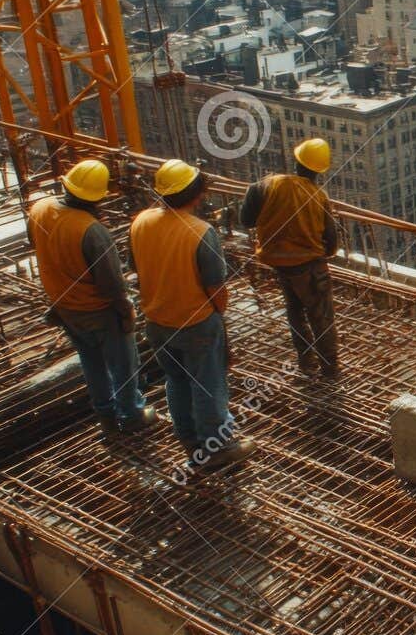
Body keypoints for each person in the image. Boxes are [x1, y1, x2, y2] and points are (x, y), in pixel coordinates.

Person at [129, 160, 256, 471]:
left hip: (157, 320)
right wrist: (218, 315)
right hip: (196, 321)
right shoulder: (200, 232)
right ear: (195, 194)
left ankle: (189, 438)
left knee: (177, 380)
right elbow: (216, 287)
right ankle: (216, 446)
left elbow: (136, 267)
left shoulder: (141, 221)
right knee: (208, 384)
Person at [26, 159, 155, 432]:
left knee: (91, 362)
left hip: (64, 306)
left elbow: (35, 243)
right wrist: (126, 311)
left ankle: (106, 415)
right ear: (98, 197)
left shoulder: (39, 208)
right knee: (122, 364)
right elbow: (112, 285)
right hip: (99, 310)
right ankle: (131, 414)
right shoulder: (91, 231)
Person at [239, 138, 340, 379]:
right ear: (320, 171)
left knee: (295, 313)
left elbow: (247, 220)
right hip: (310, 267)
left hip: (279, 263)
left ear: (296, 162)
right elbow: (331, 239)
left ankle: (306, 363)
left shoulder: (265, 186)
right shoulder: (318, 196)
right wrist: (322, 253)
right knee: (321, 318)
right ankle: (330, 370)